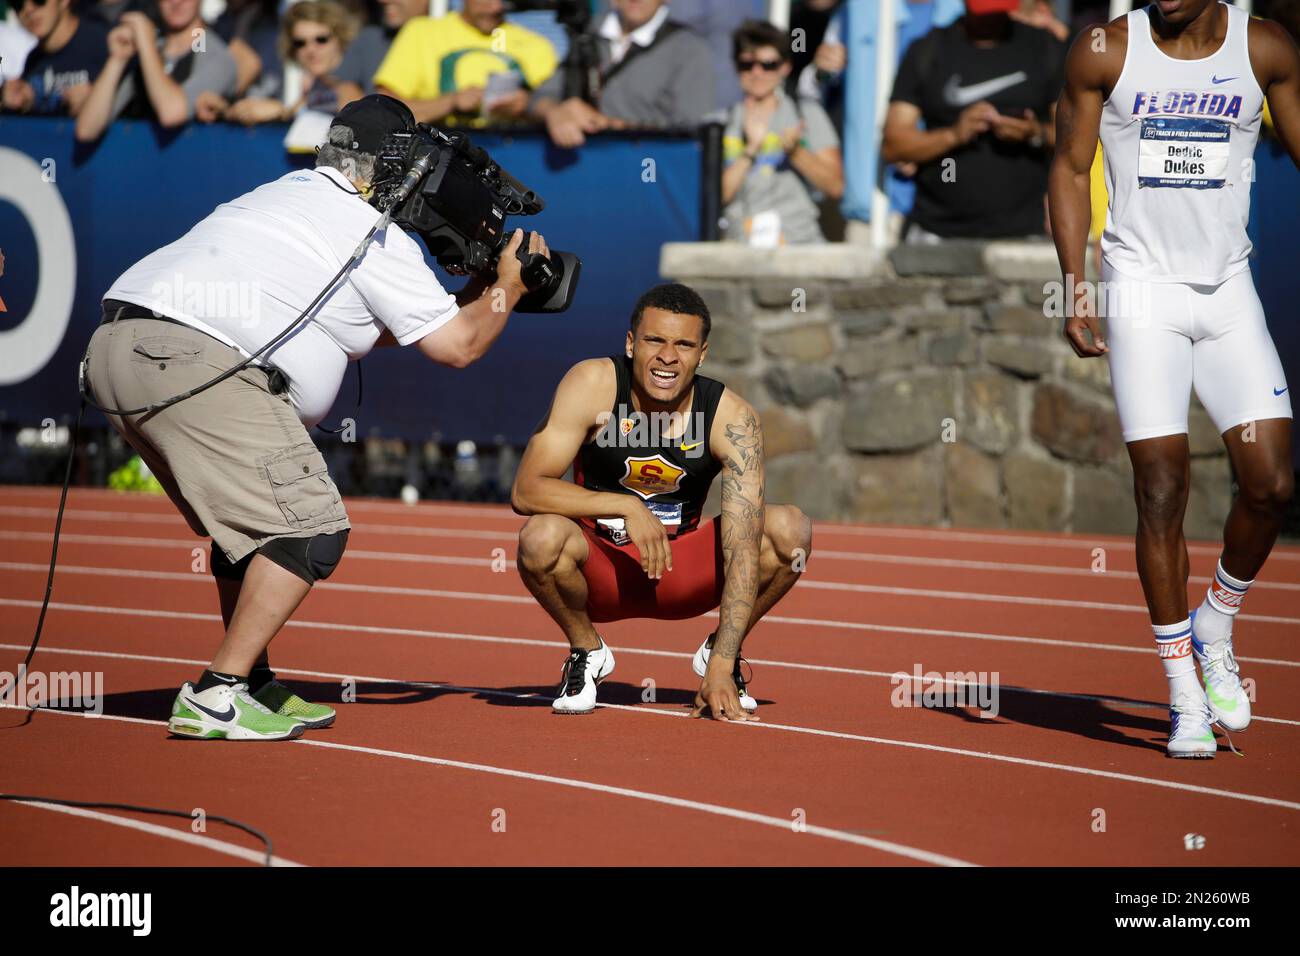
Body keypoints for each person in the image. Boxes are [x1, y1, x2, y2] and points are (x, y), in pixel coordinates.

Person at [82, 95, 551, 740]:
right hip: (196, 358)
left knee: (244, 533)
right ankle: (218, 693)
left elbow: (389, 323)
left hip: (116, 349)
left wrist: (480, 294)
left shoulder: (281, 195)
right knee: (310, 530)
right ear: (396, 169)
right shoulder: (370, 232)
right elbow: (460, 347)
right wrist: (510, 287)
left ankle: (254, 685)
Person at [1049, 0, 1299, 757]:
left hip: (1227, 291)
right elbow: (1067, 166)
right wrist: (1072, 284)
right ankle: (1184, 693)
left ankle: (1217, 621)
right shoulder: (1105, 50)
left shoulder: (1264, 46)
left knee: (1271, 486)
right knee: (1161, 486)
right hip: (1140, 291)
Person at [511, 283, 813, 719]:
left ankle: (716, 655)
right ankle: (586, 650)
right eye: (654, 340)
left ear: (702, 353)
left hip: (679, 573)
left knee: (790, 530)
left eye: (683, 345)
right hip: (602, 570)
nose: (668, 357)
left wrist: (726, 661)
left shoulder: (731, 417)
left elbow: (743, 542)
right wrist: (625, 506)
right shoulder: (592, 383)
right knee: (539, 536)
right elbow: (526, 490)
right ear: (631, 343)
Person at [882, 0, 1066, 241]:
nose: (992, 20)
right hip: (938, 232)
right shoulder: (929, 49)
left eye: (999, 11)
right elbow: (893, 145)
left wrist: (1034, 132)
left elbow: (1077, 138)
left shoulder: (1045, 47)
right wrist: (954, 134)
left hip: (1025, 232)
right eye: (985, 13)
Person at [529, 0, 715, 148]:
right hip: (583, 173)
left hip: (648, 177)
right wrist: (555, 113)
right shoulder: (586, 35)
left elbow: (692, 132)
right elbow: (540, 98)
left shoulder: (690, 49)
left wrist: (610, 126)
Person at [721, 19, 843, 245]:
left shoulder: (806, 114)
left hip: (799, 243)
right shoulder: (719, 123)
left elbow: (835, 187)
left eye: (768, 65)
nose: (757, 73)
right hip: (738, 246)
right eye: (747, 65)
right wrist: (751, 150)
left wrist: (797, 153)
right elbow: (712, 199)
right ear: (735, 67)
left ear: (785, 67)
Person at [373, 0, 557, 126]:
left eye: (501, 0)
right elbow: (384, 107)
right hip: (438, 159)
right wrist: (451, 102)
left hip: (511, 157)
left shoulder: (537, 45)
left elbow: (558, 110)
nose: (494, 7)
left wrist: (527, 106)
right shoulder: (421, 32)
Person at [73, 0, 237, 140]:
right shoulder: (146, 49)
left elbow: (172, 113)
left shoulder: (217, 56)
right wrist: (117, 59)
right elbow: (86, 131)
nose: (176, 2)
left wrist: (146, 42)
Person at [216, 1, 363, 125]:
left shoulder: (346, 87)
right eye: (300, 43)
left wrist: (280, 111)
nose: (310, 49)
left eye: (321, 40)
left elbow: (355, 119)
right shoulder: (316, 88)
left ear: (339, 40)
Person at [2, 0, 108, 115]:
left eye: (39, 1)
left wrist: (98, 100)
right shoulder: (33, 60)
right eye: (18, 5)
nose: (28, 10)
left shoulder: (105, 45)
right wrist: (19, 103)